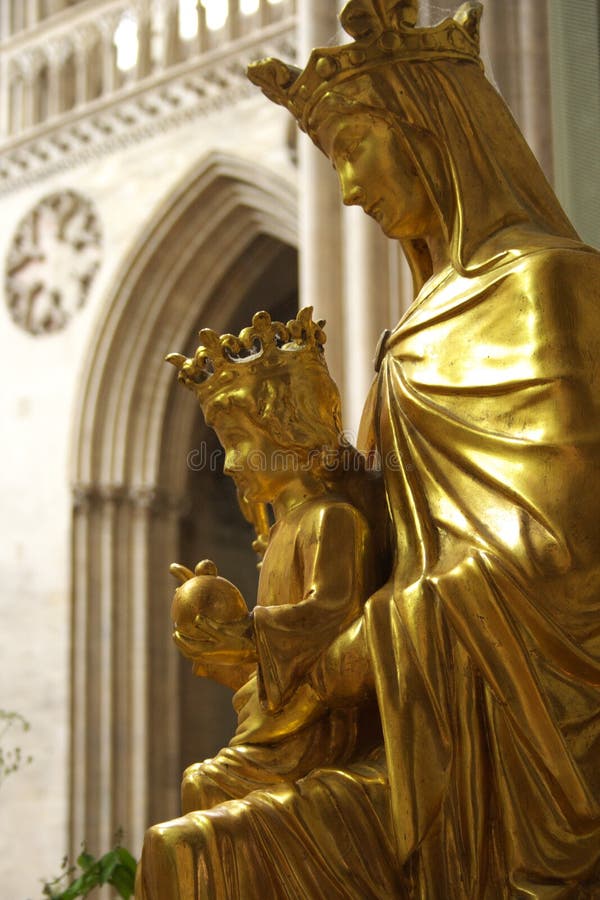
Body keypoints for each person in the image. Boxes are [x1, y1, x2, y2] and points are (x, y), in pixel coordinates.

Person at [138, 1, 600, 897]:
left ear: (435, 131)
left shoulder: (551, 285)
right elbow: (384, 548)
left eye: (356, 147)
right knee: (195, 837)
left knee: (213, 853)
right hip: (422, 709)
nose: (348, 188)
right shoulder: (405, 341)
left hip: (524, 733)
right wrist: (260, 649)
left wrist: (332, 666)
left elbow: (560, 559)